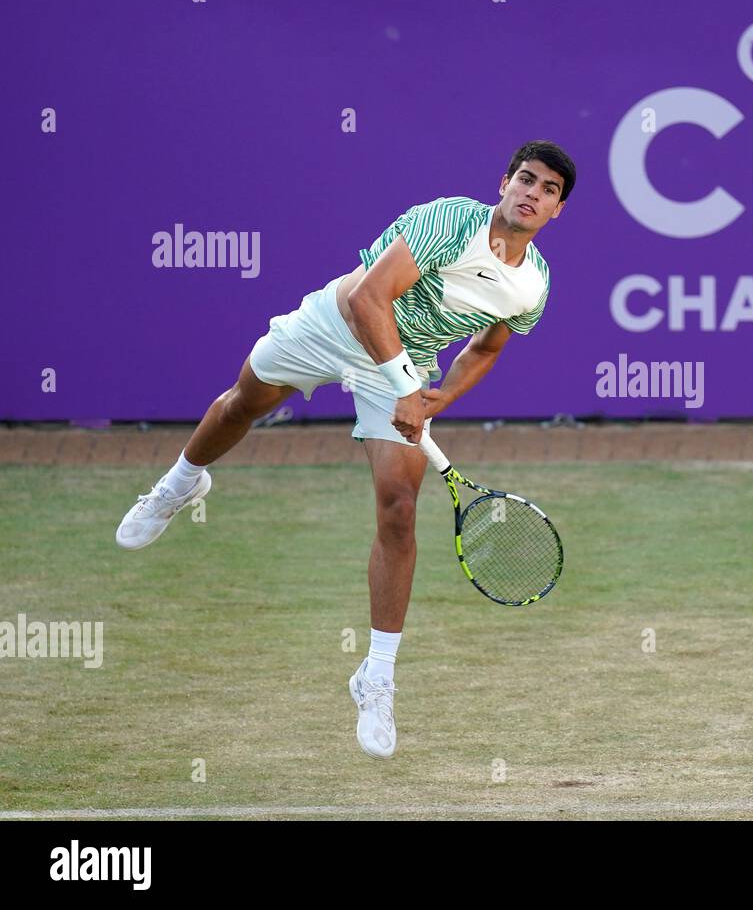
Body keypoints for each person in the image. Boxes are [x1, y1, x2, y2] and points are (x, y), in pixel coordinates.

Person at [114, 140, 575, 759]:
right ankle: (181, 482)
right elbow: (367, 300)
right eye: (526, 179)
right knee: (243, 403)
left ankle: (376, 677)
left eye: (547, 190)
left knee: (398, 508)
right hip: (336, 327)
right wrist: (408, 389)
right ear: (504, 183)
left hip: (406, 364)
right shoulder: (448, 221)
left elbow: (489, 346)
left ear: (556, 211)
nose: (532, 194)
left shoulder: (533, 285)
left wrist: (439, 398)